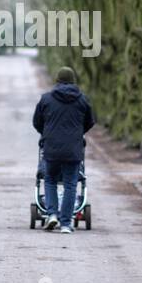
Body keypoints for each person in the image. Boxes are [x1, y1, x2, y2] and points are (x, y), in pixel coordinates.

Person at [32, 66, 95, 233]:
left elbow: (37, 122)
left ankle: (52, 214)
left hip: (51, 148)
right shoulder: (82, 100)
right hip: (74, 149)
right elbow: (90, 121)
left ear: (57, 80)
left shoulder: (46, 99)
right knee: (70, 184)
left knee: (50, 180)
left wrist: (46, 134)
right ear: (73, 80)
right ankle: (66, 223)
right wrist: (77, 133)